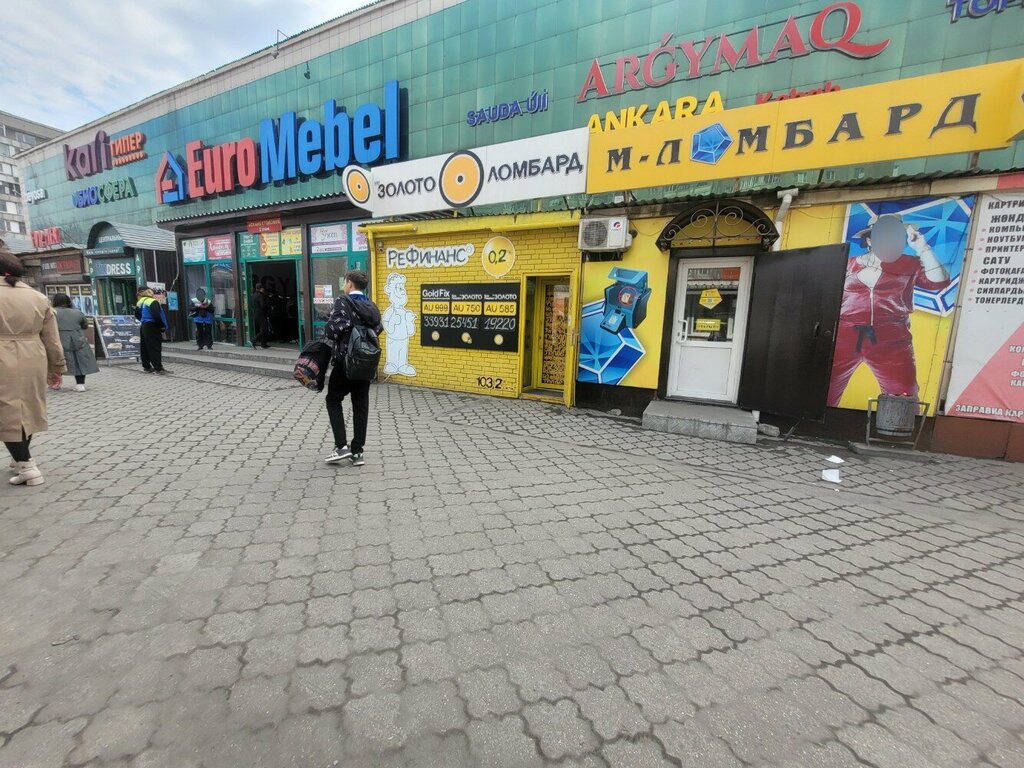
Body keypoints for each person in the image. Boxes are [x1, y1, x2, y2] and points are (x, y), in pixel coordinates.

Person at [827, 214, 951, 407]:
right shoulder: (847, 264)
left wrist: (922, 247)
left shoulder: (909, 264)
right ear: (869, 240)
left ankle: (898, 426)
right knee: (825, 389)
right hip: (844, 336)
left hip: (891, 339)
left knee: (903, 395)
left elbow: (939, 282)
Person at [0, 247, 66, 487]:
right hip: (33, 355)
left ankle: (26, 465)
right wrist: (56, 367)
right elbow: (52, 338)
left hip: (3, 353)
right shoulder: (38, 297)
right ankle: (20, 459)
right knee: (28, 408)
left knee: (7, 411)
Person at [323, 270, 382, 467]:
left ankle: (341, 447)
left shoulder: (343, 302)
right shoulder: (370, 305)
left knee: (333, 399)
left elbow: (333, 331)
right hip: (365, 362)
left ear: (349, 283)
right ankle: (357, 452)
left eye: (345, 282)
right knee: (360, 404)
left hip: (345, 361)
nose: (344, 286)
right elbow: (378, 328)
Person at [52, 292, 99, 392]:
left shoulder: (52, 312)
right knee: (79, 361)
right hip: (77, 339)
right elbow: (85, 325)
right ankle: (80, 385)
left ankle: (55, 383)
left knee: (55, 360)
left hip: (58, 339)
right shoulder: (78, 312)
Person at [135, 286, 168, 374]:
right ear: (148, 291)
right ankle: (158, 368)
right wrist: (161, 326)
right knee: (155, 347)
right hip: (152, 326)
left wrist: (144, 320)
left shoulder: (140, 301)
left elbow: (137, 315)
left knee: (145, 347)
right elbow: (156, 315)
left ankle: (147, 367)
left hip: (144, 326)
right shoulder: (152, 302)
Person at [251, 283, 271, 348]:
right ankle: (254, 340)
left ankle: (263, 344)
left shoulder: (253, 295)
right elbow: (263, 305)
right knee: (264, 329)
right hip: (261, 314)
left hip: (255, 314)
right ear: (261, 288)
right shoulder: (260, 295)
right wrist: (268, 303)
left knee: (262, 329)